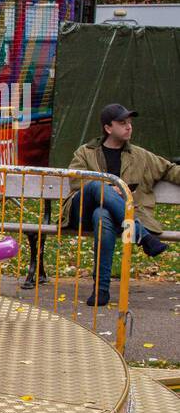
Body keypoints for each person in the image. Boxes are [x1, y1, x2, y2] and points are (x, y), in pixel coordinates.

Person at [61, 104, 180, 306]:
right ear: (108, 128)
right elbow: (76, 180)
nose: (129, 127)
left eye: (130, 123)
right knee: (97, 187)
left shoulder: (141, 156)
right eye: (122, 123)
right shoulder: (86, 152)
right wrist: (108, 188)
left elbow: (170, 170)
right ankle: (142, 235)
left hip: (119, 220)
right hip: (81, 213)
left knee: (103, 215)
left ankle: (101, 291)